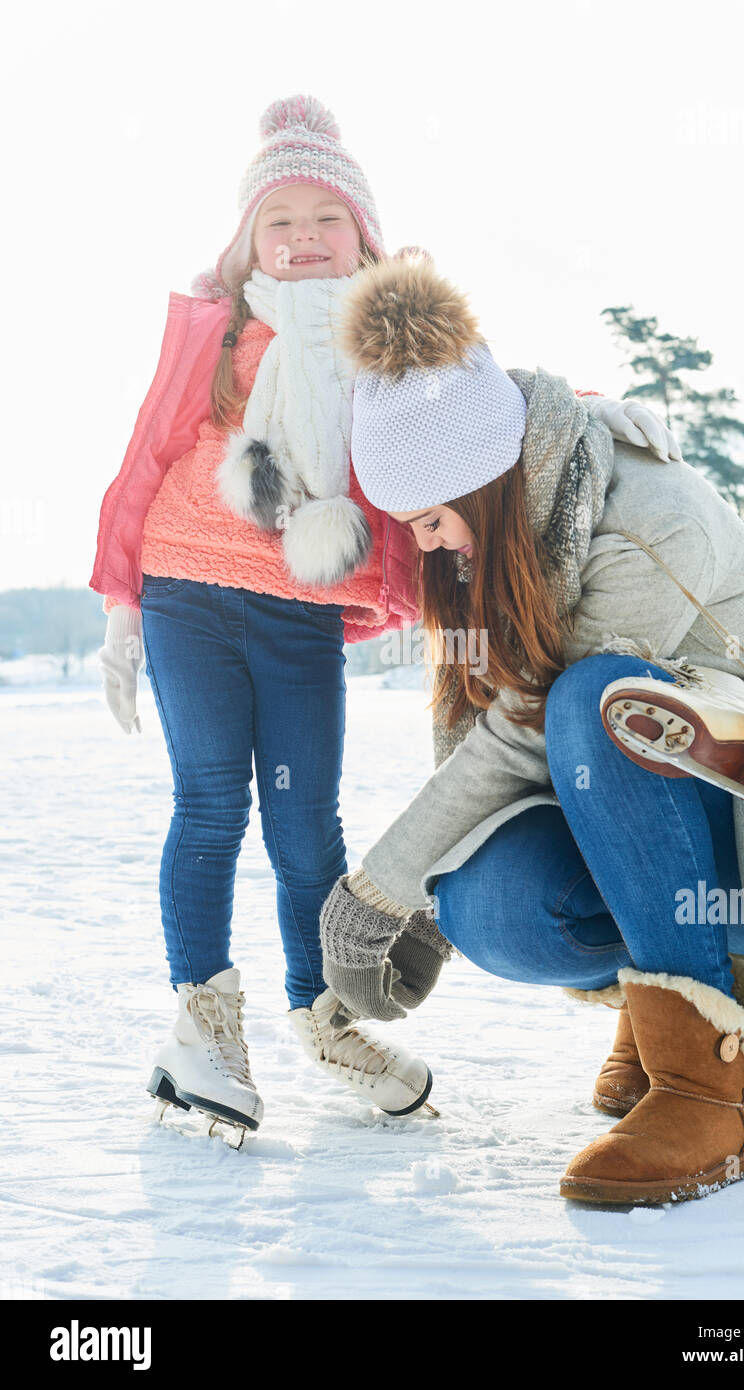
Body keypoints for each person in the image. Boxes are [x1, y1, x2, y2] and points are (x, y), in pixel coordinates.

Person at [318, 256, 744, 1205]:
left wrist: (379, 891)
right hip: (647, 806)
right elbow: (477, 731)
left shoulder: (645, 523)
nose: (425, 543)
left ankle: (710, 1090)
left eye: (434, 518)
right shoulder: (507, 541)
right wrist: (431, 901)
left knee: (595, 699)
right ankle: (661, 1008)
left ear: (484, 481)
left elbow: (531, 729)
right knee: (488, 906)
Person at [90, 95, 435, 1138]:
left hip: (299, 617)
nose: (299, 238)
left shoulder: (391, 339)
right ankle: (202, 1025)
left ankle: (325, 1016)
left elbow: (438, 454)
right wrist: (120, 606)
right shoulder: (219, 326)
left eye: (322, 217)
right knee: (210, 803)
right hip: (190, 593)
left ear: (361, 232)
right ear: (248, 238)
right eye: (276, 220)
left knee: (303, 824)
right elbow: (148, 453)